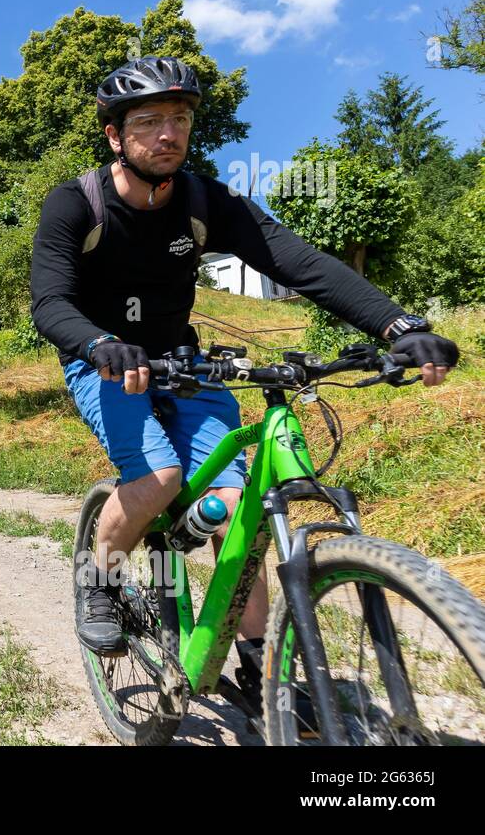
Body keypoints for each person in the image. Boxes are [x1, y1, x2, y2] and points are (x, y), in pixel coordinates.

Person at [30, 56, 460, 710]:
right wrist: (98, 343)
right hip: (103, 362)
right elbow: (50, 302)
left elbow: (296, 259)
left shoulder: (206, 201)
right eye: (148, 122)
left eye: (179, 119)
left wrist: (397, 326)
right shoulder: (77, 204)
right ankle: (101, 578)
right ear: (115, 136)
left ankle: (260, 665)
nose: (167, 134)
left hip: (186, 363)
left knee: (241, 513)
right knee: (157, 480)